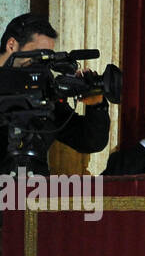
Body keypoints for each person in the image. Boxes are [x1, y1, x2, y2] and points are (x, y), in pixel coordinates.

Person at [0, 12, 110, 175]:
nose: (42, 65)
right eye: (38, 55)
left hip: (35, 191)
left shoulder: (44, 87)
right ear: (12, 45)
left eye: (47, 58)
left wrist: (96, 104)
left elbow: (88, 141)